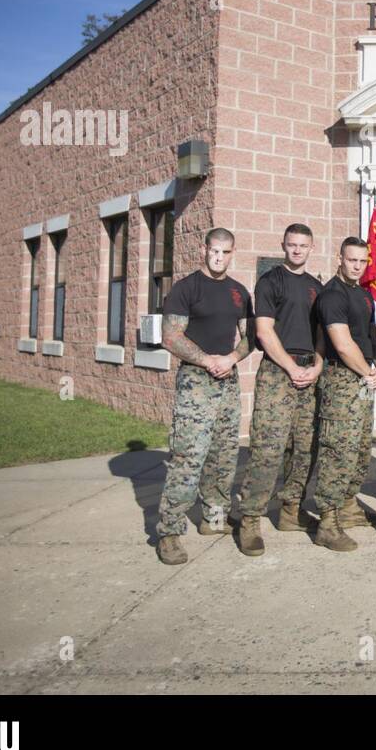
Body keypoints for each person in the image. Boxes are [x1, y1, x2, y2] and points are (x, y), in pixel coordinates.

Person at [155, 228, 253, 565]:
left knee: (224, 454)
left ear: (232, 253)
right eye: (214, 251)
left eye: (226, 252)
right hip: (196, 380)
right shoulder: (185, 289)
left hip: (227, 379)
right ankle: (169, 531)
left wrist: (231, 359)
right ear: (204, 250)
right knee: (188, 456)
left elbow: (249, 337)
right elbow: (171, 337)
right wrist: (206, 359)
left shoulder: (239, 292)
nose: (219, 257)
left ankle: (214, 518)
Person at [234, 224, 325, 557]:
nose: (297, 250)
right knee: (268, 448)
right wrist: (291, 367)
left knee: (304, 448)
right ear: (284, 246)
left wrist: (316, 365)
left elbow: (321, 333)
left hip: (308, 371)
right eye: (292, 245)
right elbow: (264, 332)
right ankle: (250, 519)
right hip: (277, 371)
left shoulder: (317, 287)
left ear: (312, 247)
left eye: (303, 245)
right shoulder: (270, 281)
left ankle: (290, 510)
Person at [312, 237, 376, 552]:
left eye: (362, 261)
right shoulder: (332, 295)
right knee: (336, 451)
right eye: (351, 260)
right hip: (342, 380)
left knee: (358, 449)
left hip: (362, 379)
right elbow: (341, 343)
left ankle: (347, 505)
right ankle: (327, 523)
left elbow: (372, 332)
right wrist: (367, 372)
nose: (357, 266)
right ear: (339, 259)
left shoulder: (364, 294)